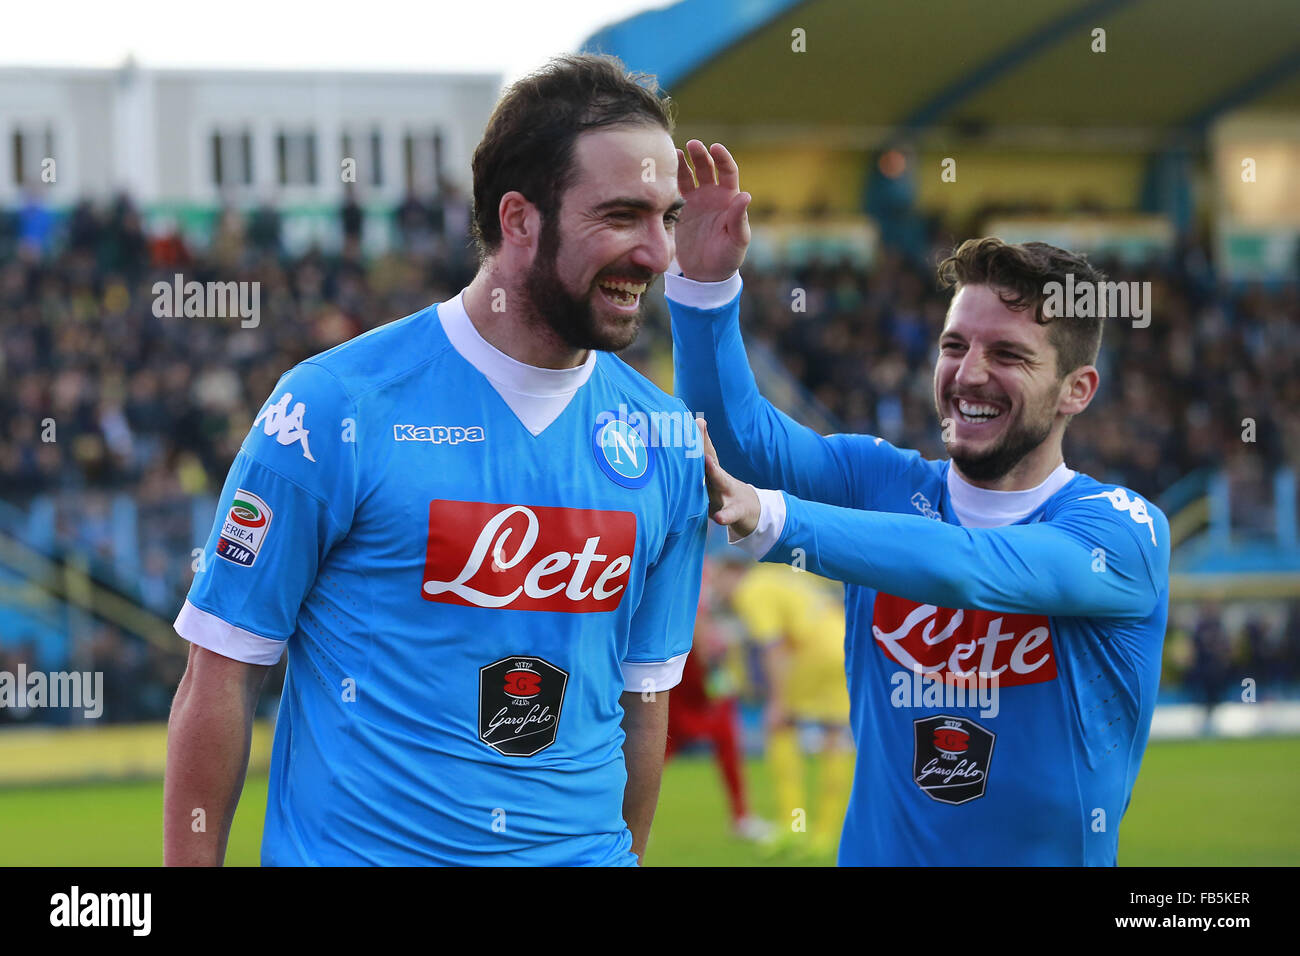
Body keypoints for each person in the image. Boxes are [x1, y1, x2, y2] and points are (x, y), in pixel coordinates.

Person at [164, 55, 707, 866]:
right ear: (519, 219)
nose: (658, 253)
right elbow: (221, 673)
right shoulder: (335, 407)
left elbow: (645, 694)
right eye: (623, 215)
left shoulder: (665, 437)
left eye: (667, 218)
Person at [667, 140, 1169, 865]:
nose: (969, 375)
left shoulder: (1122, 533)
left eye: (1008, 356)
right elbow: (743, 444)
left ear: (1076, 391)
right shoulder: (879, 480)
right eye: (954, 345)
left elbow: (976, 568)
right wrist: (705, 291)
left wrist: (775, 520)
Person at [719, 557, 853, 855]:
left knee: (780, 726)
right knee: (834, 737)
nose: (719, 589)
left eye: (720, 580)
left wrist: (776, 702)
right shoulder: (777, 573)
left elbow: (773, 647)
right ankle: (825, 836)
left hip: (811, 650)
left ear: (734, 573)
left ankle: (793, 827)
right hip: (841, 641)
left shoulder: (750, 590)